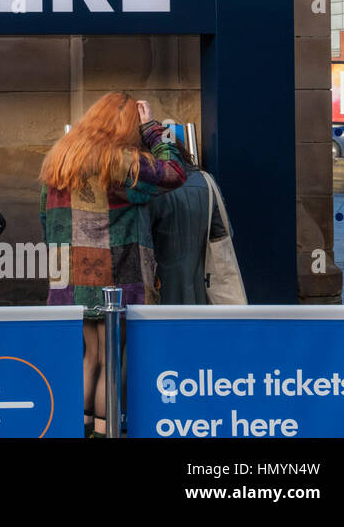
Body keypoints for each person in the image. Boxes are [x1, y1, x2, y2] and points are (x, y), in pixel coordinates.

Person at [39, 92, 187, 435]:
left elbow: (46, 219)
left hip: (70, 276)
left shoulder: (61, 157)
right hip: (116, 275)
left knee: (89, 356)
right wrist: (154, 130)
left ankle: (82, 426)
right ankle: (107, 432)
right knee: (111, 357)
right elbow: (175, 173)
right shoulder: (121, 161)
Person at [148, 142, 228, 304]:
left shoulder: (150, 187)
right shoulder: (207, 182)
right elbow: (221, 235)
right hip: (201, 293)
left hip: (159, 294)